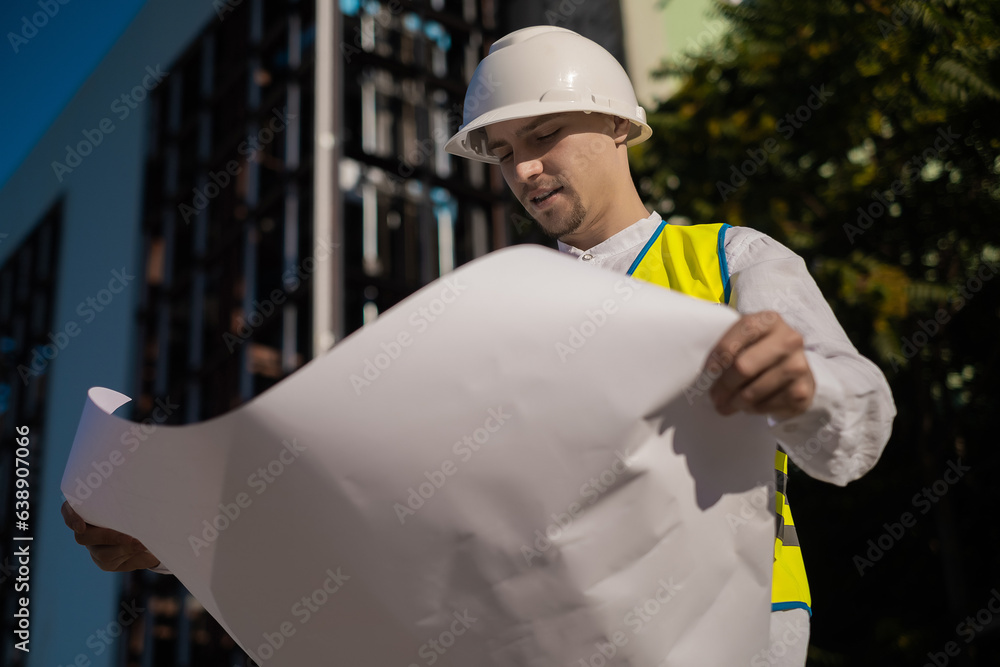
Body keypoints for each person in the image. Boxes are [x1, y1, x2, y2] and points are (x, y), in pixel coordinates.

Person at [64, 24, 895, 666]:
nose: (525, 171)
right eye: (503, 154)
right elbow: (387, 509)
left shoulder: (729, 259)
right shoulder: (495, 309)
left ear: (617, 124)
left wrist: (801, 389)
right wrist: (183, 537)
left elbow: (855, 432)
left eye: (543, 136)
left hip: (728, 631)